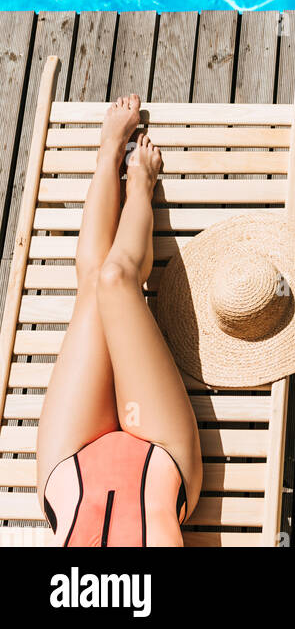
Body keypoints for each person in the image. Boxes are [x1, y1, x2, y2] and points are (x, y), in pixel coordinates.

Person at [36, 96, 202, 547]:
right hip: (160, 454)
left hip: (69, 467)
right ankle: (141, 185)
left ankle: (109, 154)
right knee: (117, 280)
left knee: (93, 284)